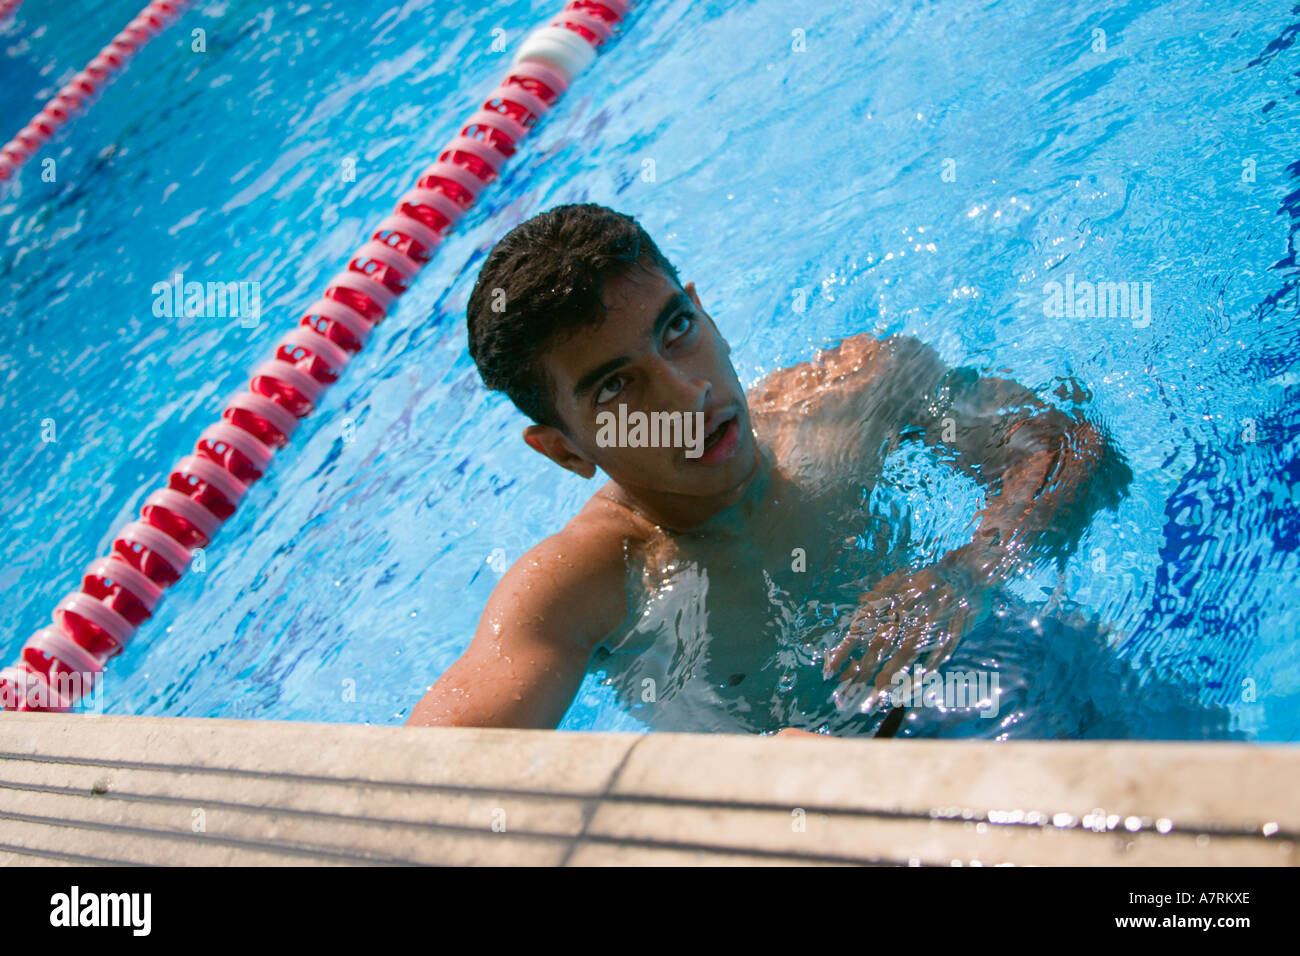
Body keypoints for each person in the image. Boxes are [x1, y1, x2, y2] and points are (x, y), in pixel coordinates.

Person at [405, 203, 1132, 738]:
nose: (687, 395)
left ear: (706, 313)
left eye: (676, 329)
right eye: (617, 387)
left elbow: (1070, 449)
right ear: (566, 450)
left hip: (1024, 681)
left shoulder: (855, 393)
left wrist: (967, 571)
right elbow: (417, 787)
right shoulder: (581, 587)